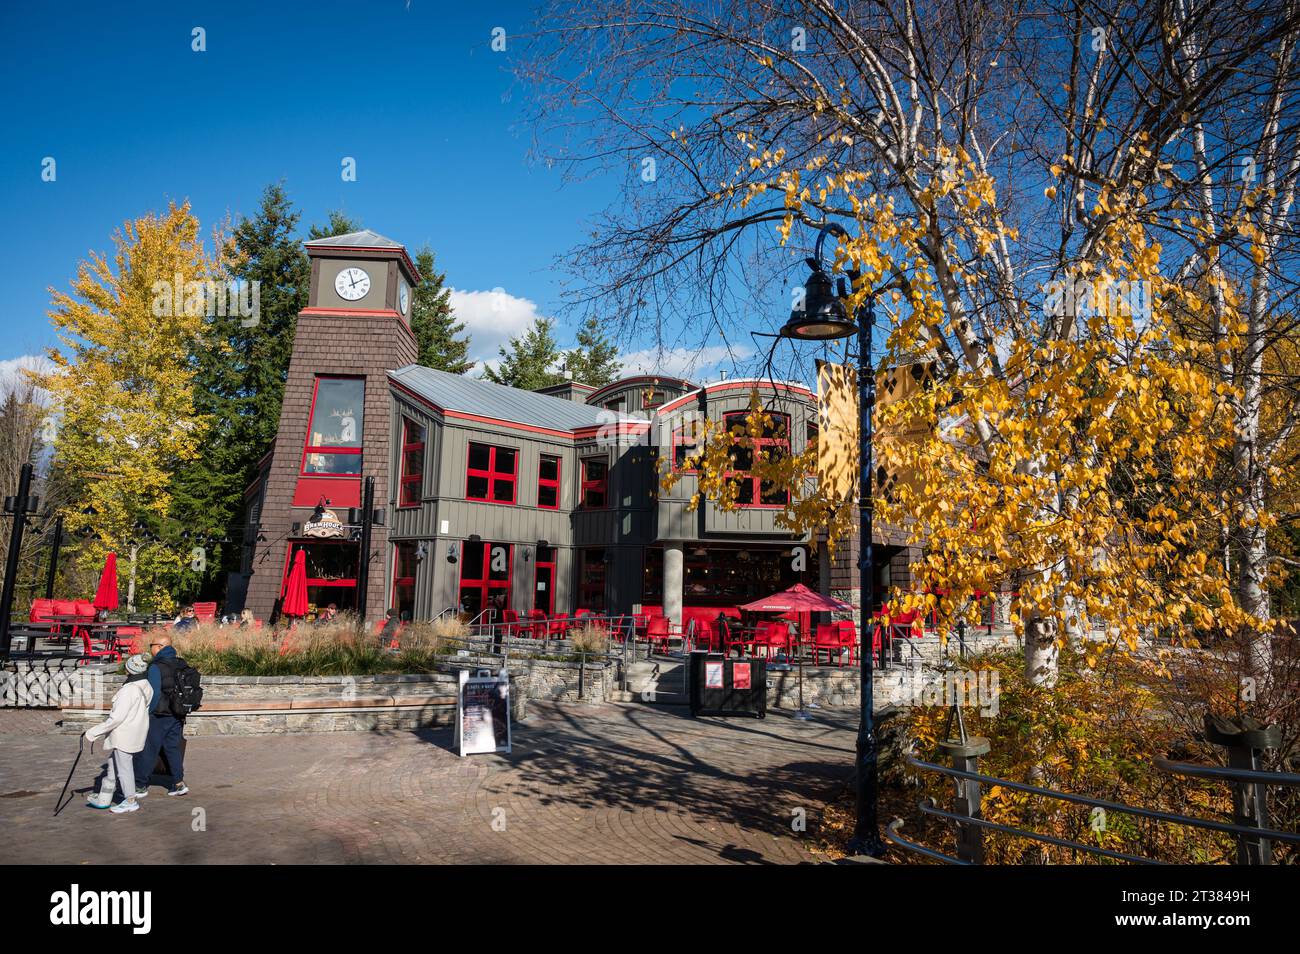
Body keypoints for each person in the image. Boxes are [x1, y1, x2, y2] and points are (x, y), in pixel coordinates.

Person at [85, 654, 154, 813]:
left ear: (130, 669)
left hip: (125, 733)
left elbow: (116, 718)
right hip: (136, 730)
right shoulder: (147, 685)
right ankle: (105, 796)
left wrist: (93, 732)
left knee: (124, 768)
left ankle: (130, 800)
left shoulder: (129, 690)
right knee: (113, 764)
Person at [134, 633, 189, 797]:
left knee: (149, 749)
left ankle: (140, 785)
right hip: (178, 713)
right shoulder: (181, 663)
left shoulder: (156, 667)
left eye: (151, 646)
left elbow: (154, 694)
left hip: (159, 714)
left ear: (159, 647)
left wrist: (147, 713)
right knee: (173, 748)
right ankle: (179, 783)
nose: (150, 649)